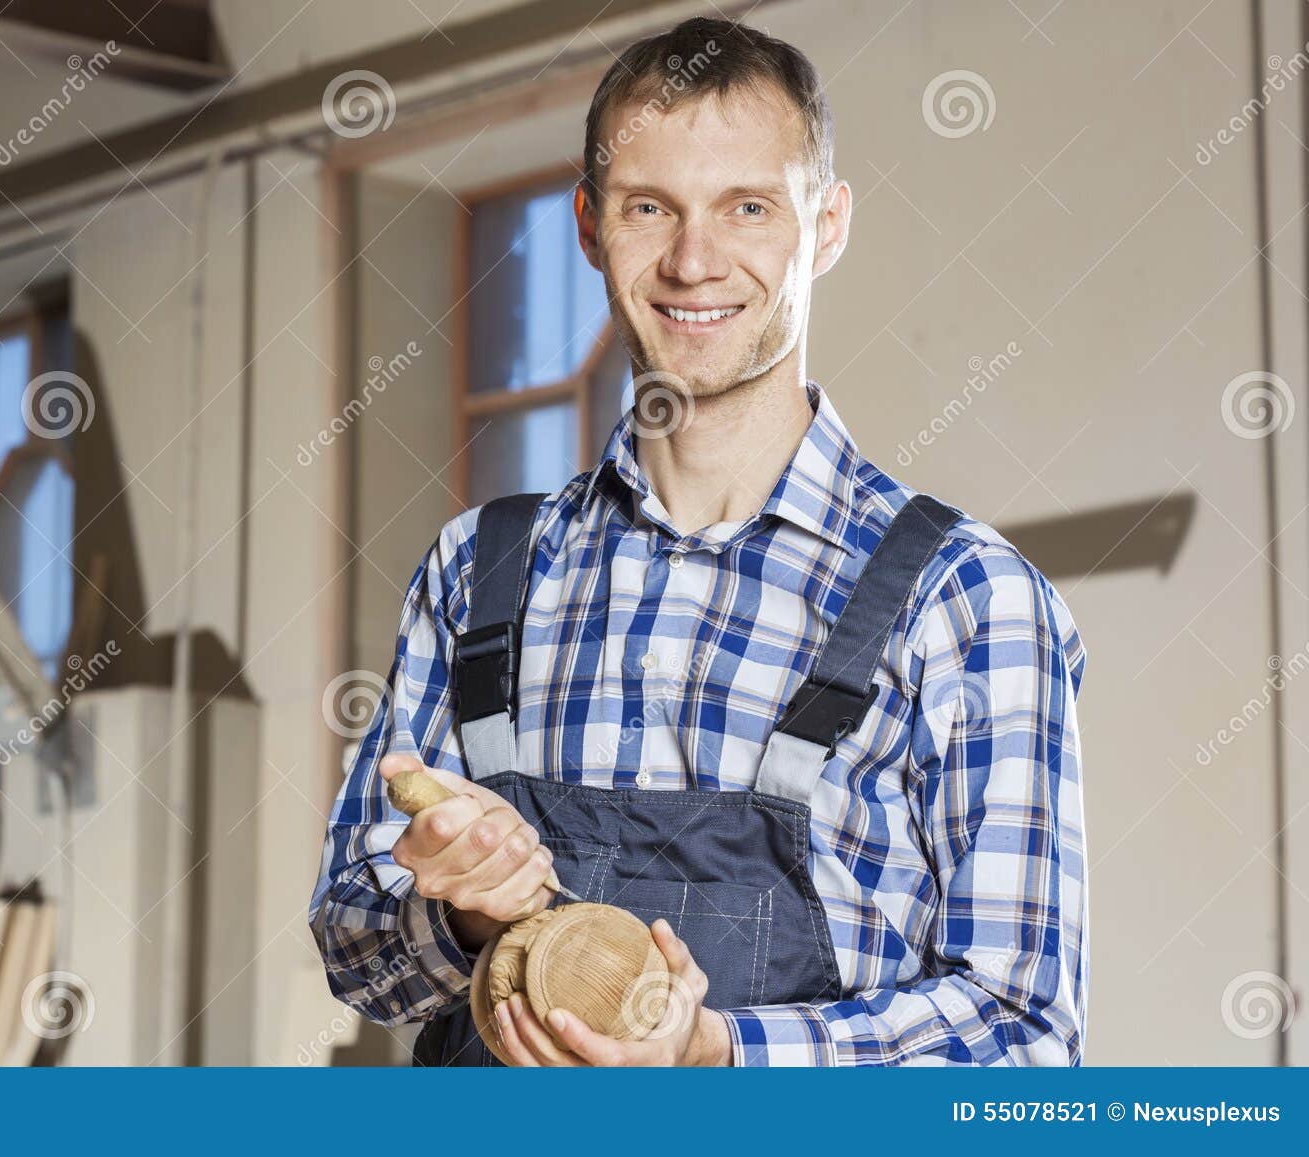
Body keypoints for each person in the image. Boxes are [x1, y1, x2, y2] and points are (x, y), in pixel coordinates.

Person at [309, 15, 1087, 1067]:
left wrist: (717, 1053)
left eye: (748, 208)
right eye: (647, 208)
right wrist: (460, 914)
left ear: (825, 226)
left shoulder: (964, 599)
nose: (691, 259)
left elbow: (1023, 1036)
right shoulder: (480, 569)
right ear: (589, 225)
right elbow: (356, 951)